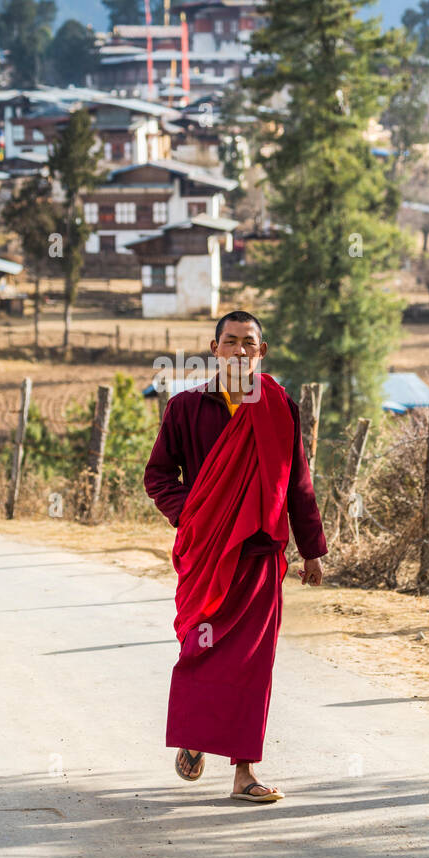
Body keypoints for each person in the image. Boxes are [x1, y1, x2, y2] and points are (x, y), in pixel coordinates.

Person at [144, 310, 327, 804]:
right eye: (231, 342)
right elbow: (158, 477)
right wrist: (197, 515)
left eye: (250, 342)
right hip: (207, 555)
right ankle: (193, 735)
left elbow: (298, 481)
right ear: (215, 348)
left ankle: (244, 773)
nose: (240, 350)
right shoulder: (186, 408)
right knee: (200, 650)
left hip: (261, 553)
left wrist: (311, 549)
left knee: (253, 663)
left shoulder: (278, 405)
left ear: (261, 352)